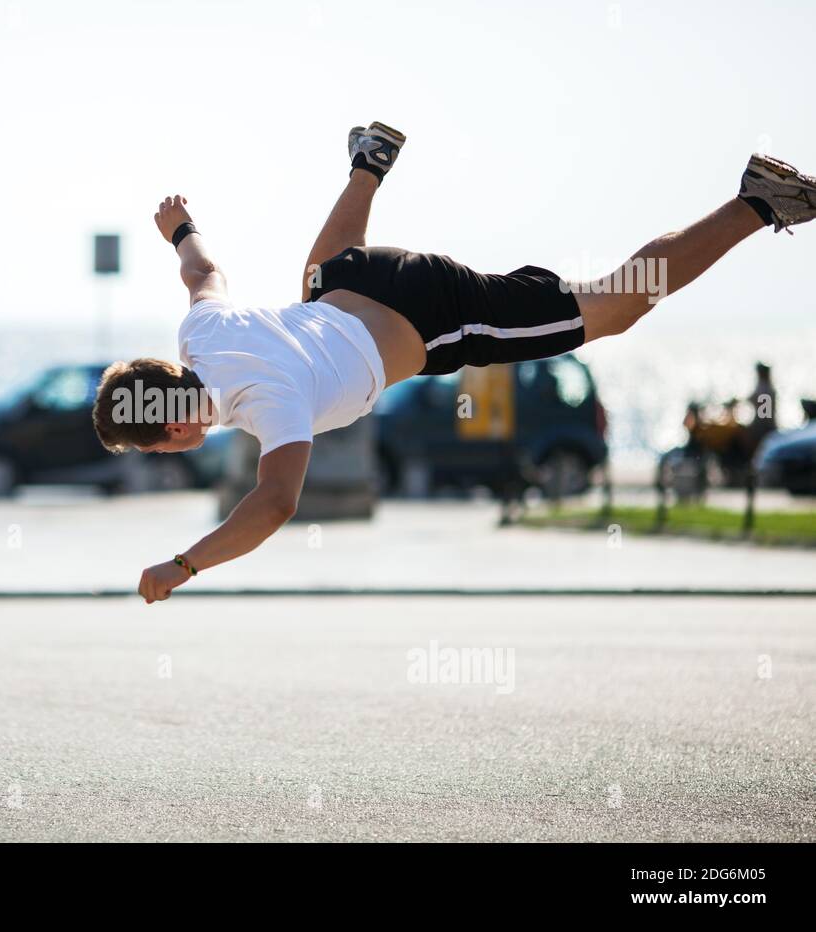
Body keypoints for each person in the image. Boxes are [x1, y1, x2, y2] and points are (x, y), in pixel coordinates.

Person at [91, 122, 816, 603]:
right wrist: (179, 226)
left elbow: (275, 503)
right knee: (313, 285)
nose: (178, 441)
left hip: (437, 315)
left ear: (173, 432)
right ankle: (367, 166)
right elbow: (201, 269)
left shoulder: (268, 402)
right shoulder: (202, 334)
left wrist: (183, 566)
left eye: (161, 437)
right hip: (361, 275)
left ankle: (755, 202)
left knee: (615, 306)